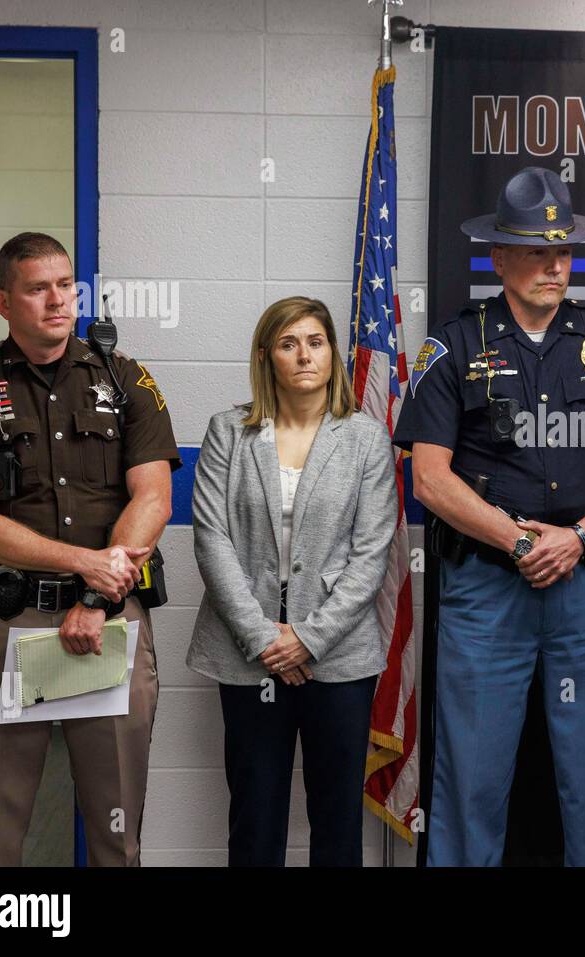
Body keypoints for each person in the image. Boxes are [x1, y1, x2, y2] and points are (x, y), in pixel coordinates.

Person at [395, 166, 585, 867]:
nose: (553, 265)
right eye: (536, 252)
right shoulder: (453, 346)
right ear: (499, 258)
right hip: (487, 588)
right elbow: (428, 476)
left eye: (563, 251)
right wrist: (516, 540)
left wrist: (576, 538)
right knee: (471, 785)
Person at [0, 232, 178, 865]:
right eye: (37, 289)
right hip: (3, 618)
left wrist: (95, 592)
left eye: (65, 285)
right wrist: (84, 562)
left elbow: (153, 500)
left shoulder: (126, 380)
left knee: (117, 830)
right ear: (3, 302)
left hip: (108, 617)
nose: (57, 300)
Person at [186, 296, 397, 867]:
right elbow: (212, 539)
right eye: (288, 343)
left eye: (316, 341)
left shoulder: (366, 439)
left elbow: (370, 552)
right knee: (255, 818)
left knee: (336, 824)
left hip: (339, 656)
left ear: (332, 352)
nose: (304, 355)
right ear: (265, 356)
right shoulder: (228, 432)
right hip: (247, 652)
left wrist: (308, 638)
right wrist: (265, 640)